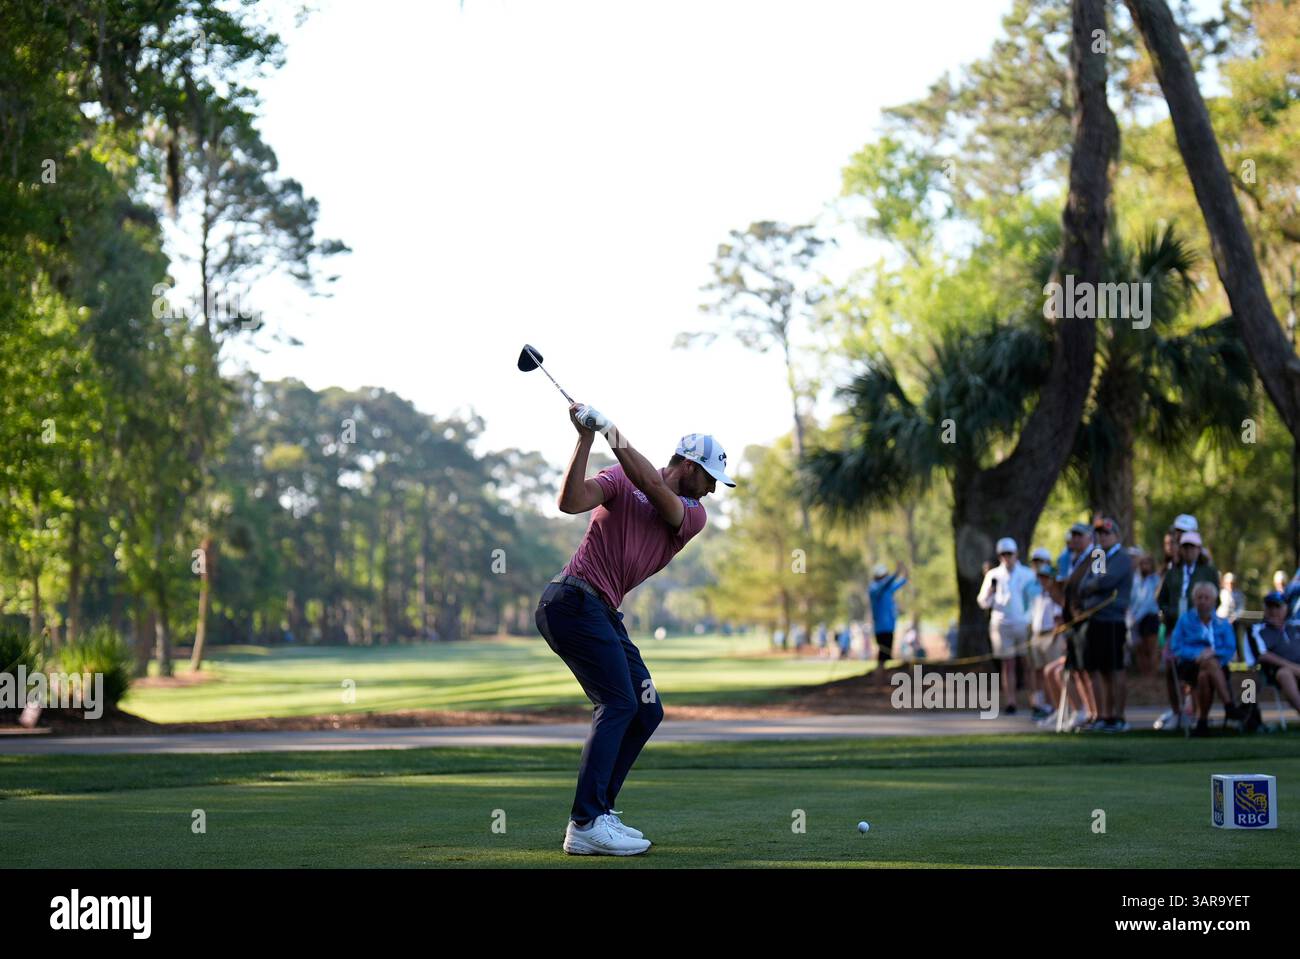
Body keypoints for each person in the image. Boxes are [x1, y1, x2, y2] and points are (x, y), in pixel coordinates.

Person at [535, 403, 734, 855]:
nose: (712, 491)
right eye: (709, 479)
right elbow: (569, 502)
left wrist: (610, 429)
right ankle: (585, 823)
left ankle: (599, 811)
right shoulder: (620, 477)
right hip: (570, 601)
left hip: (600, 611)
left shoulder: (690, 513)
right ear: (689, 467)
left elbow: (648, 483)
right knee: (618, 702)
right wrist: (585, 437)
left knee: (645, 710)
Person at [1155, 530, 1219, 730]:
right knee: (1171, 670)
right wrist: (1169, 612)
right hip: (1175, 627)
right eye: (1185, 547)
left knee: (1197, 671)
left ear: (1199, 549)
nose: (1189, 551)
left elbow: (1216, 599)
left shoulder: (1207, 571)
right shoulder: (1173, 572)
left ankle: (1197, 713)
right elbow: (1161, 599)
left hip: (1199, 628)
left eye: (1192, 547)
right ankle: (1177, 712)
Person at [1076, 517, 1133, 732]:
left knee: (1114, 669)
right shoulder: (1099, 556)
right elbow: (1086, 584)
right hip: (1096, 620)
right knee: (1097, 669)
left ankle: (1118, 716)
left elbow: (1104, 581)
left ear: (1116, 536)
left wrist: (1094, 586)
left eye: (1106, 533)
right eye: (1099, 534)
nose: (1102, 537)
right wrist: (1094, 586)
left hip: (1113, 620)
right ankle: (1103, 715)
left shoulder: (1121, 557)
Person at [1168, 581, 1245, 736]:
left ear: (1214, 600)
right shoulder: (1185, 620)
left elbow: (1230, 648)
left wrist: (1212, 653)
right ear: (1194, 600)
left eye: (1206, 597)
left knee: (1205, 672)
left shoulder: (1222, 623)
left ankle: (1202, 723)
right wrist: (1197, 654)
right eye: (1199, 597)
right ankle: (1229, 706)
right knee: (1208, 663)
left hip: (1217, 666)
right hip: (1189, 665)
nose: (1202, 601)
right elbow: (1176, 646)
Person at [977, 538, 1036, 713]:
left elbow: (1033, 599)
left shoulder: (1027, 574)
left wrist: (1029, 619)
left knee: (1026, 663)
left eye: (1009, 554)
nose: (1006, 558)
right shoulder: (993, 575)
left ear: (1016, 554)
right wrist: (990, 592)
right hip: (1001, 623)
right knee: (1007, 664)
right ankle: (1011, 701)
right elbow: (982, 602)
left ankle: (1035, 701)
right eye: (1003, 554)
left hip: (1022, 624)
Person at [1249, 592, 1300, 715]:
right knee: (1284, 674)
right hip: (1275, 673)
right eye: (1269, 607)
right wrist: (1295, 668)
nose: (1273, 611)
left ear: (1286, 608)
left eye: (1277, 607)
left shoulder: (1295, 626)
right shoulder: (1258, 630)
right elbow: (1263, 655)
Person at [1027, 563, 1063, 720]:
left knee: (1051, 672)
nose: (1043, 580)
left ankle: (1056, 705)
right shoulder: (1038, 595)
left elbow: (1058, 618)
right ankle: (1042, 705)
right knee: (1039, 672)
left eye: (1046, 577)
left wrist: (1054, 638)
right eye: (1041, 577)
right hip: (1037, 635)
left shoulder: (1055, 595)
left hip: (1051, 635)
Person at [868, 563, 908, 685]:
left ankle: (882, 677)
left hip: (890, 626)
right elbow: (887, 584)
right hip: (881, 628)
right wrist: (895, 573)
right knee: (883, 654)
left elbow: (901, 582)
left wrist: (904, 573)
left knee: (887, 654)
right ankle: (878, 677)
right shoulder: (874, 589)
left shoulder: (888, 589)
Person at [1128, 551, 1161, 676]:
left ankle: (1152, 674)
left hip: (1150, 617)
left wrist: (1136, 617)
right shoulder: (1135, 580)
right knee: (1139, 648)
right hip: (1135, 618)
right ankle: (1144, 673)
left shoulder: (1155, 580)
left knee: (1151, 647)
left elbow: (1150, 601)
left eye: (1147, 563)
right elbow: (1132, 599)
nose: (1144, 566)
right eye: (1142, 563)